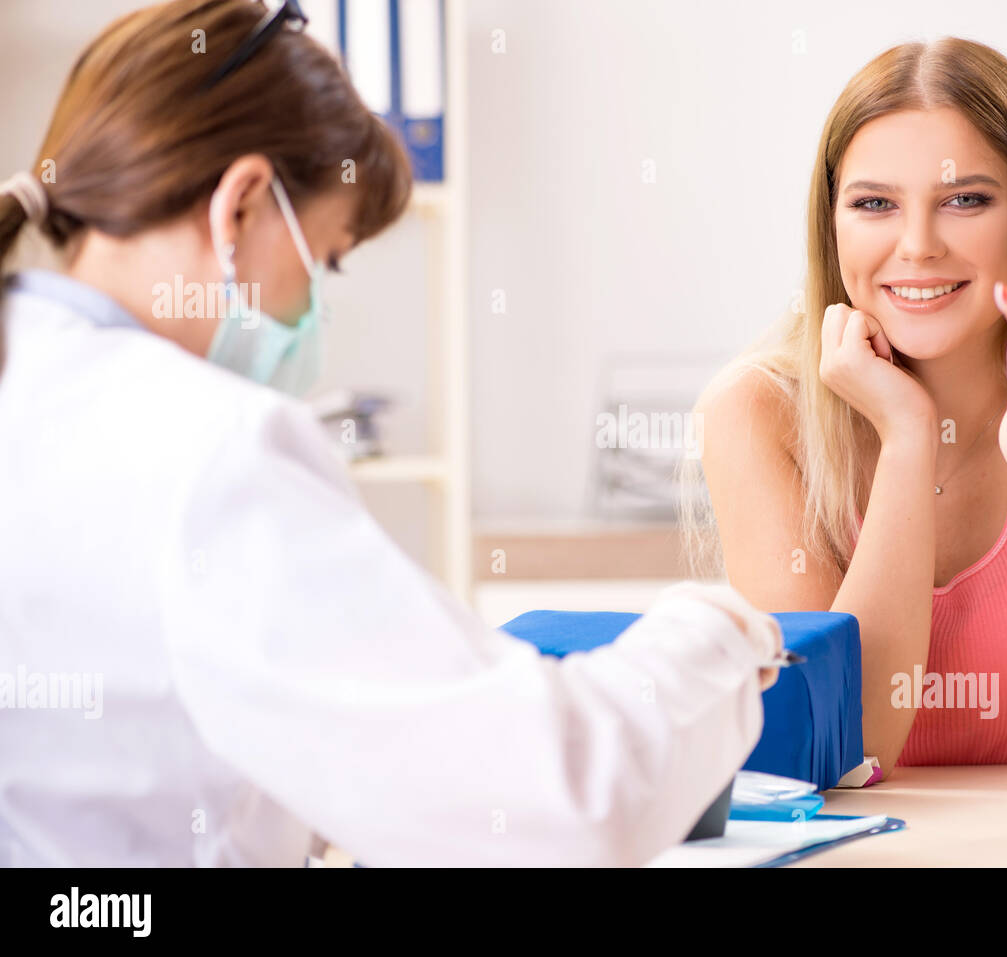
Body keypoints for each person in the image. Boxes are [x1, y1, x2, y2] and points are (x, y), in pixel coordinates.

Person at [0, 0, 782, 867]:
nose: (313, 310)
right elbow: (560, 798)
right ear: (242, 205)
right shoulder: (211, 446)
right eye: (325, 259)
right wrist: (714, 631)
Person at [687, 38, 1007, 775]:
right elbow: (845, 745)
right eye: (874, 203)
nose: (917, 245)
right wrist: (907, 437)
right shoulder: (756, 412)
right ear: (831, 223)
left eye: (965, 199)